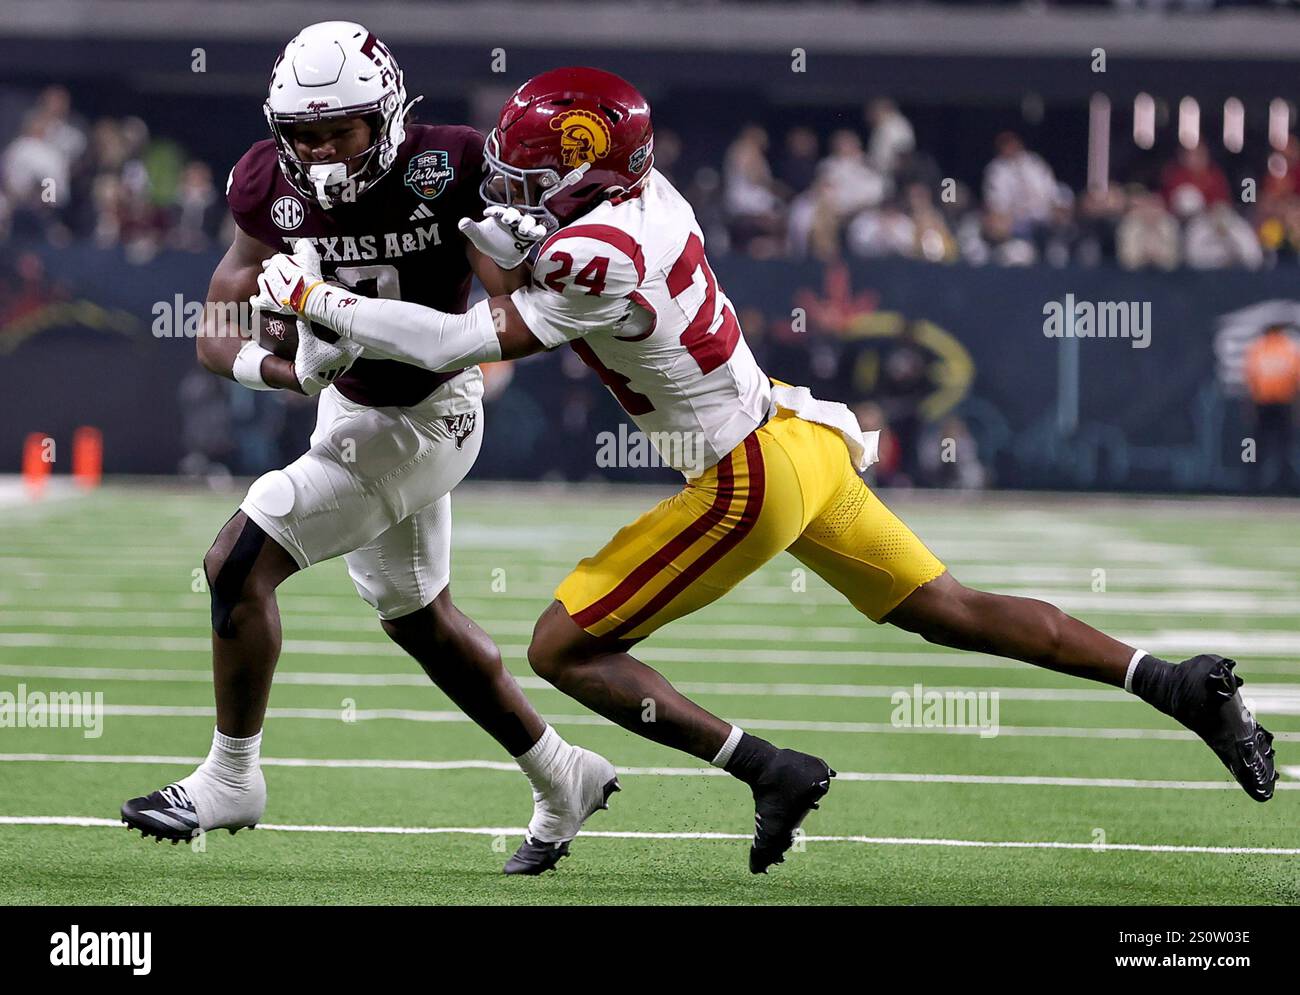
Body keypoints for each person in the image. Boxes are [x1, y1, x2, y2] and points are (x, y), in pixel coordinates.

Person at [258, 67, 1278, 875]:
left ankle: (768, 768)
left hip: (747, 468)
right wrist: (516, 236)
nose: (515, 194)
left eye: (535, 182)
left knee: (562, 646)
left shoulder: (588, 258)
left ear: (584, 179)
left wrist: (319, 300)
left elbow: (449, 345)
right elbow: (542, 252)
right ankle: (1175, 682)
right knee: (951, 607)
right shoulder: (645, 194)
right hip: (795, 434)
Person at [120, 24, 617, 877]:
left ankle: (231, 776)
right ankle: (563, 772)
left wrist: (517, 262)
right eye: (302, 133)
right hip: (350, 411)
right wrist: (290, 370)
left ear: (385, 116)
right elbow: (214, 327)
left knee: (238, 560)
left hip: (431, 416)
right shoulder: (268, 184)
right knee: (420, 619)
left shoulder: (450, 164)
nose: (316, 151)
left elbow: (506, 316)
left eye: (337, 130)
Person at [1243, 322, 1300, 493]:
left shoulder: (1258, 349)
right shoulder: (1288, 349)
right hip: (1281, 404)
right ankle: (1283, 482)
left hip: (1265, 404)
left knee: (1255, 444)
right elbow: (1295, 383)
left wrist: (1249, 408)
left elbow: (1250, 382)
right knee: (1282, 444)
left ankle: (1252, 481)